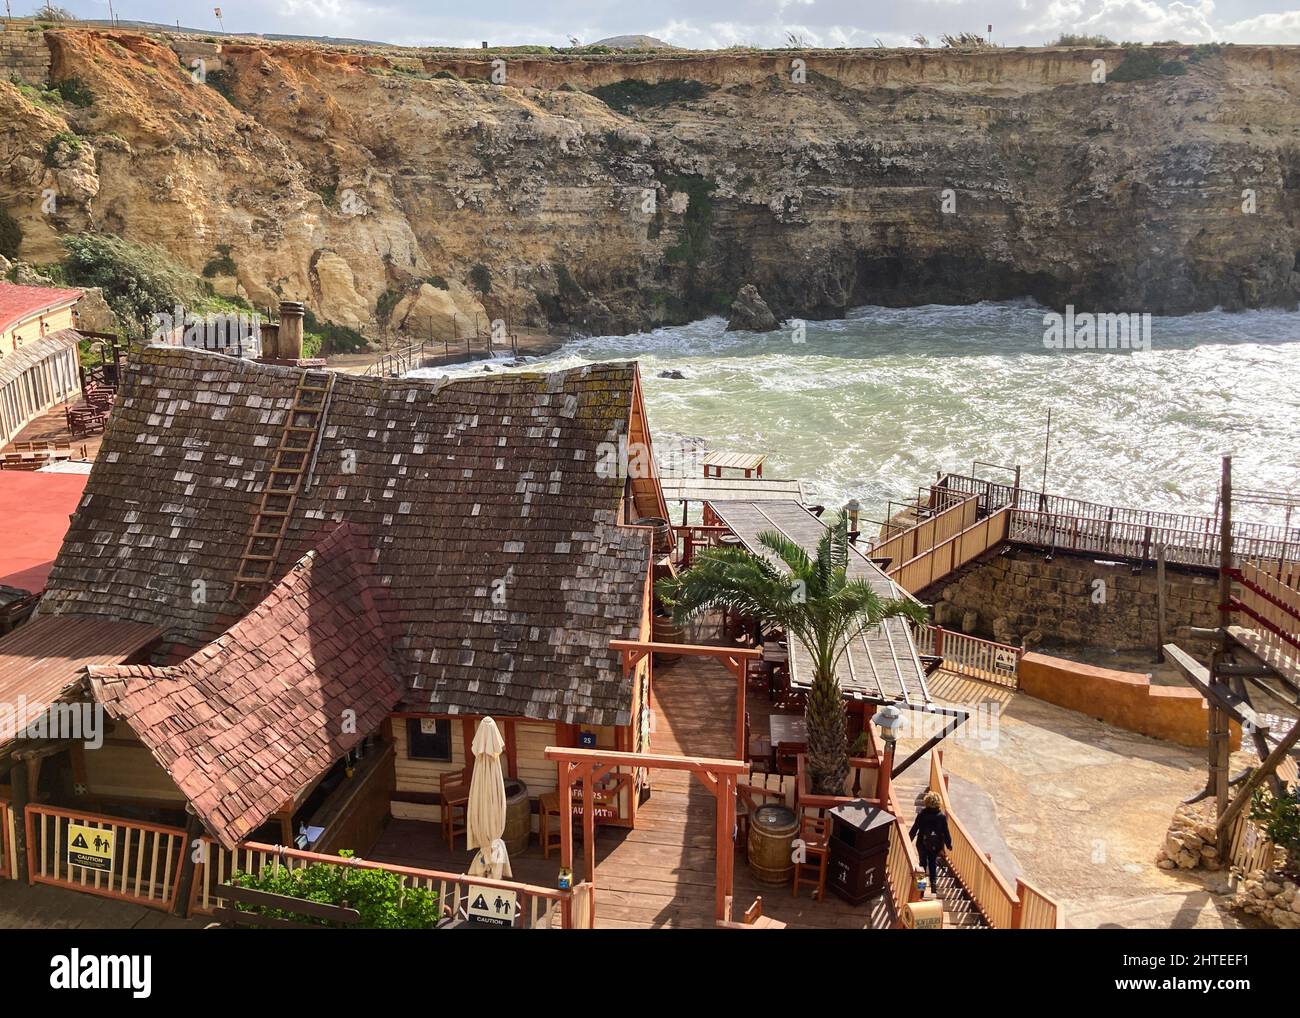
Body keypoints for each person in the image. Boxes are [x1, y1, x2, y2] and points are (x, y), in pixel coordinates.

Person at [908, 791, 953, 896]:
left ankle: (921, 889)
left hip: (922, 844)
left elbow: (914, 829)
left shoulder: (922, 815)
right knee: (932, 863)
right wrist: (948, 844)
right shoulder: (941, 817)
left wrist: (908, 839)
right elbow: (945, 832)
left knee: (922, 864)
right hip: (935, 845)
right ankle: (933, 886)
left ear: (927, 802)